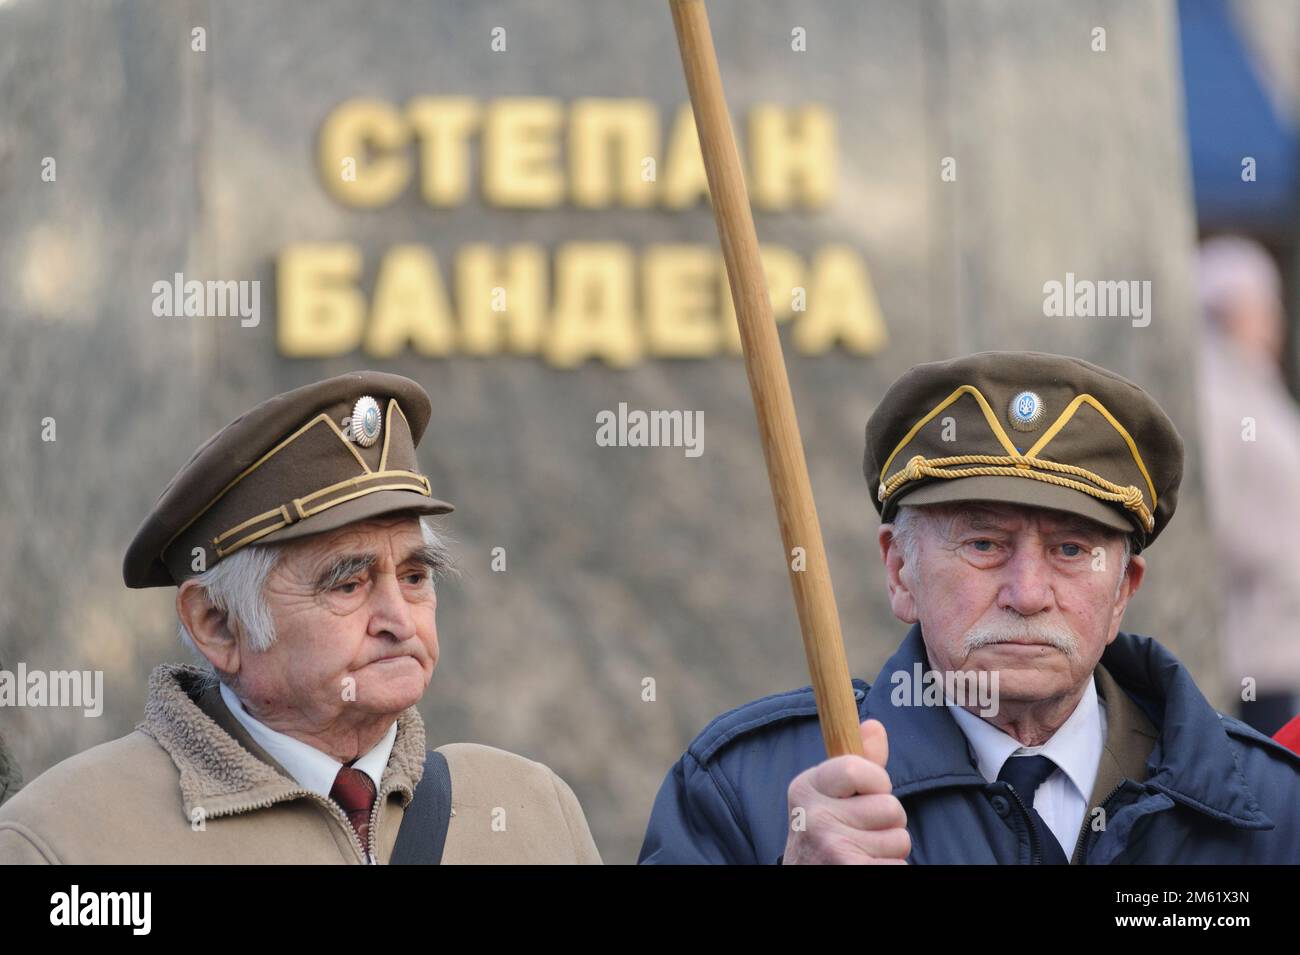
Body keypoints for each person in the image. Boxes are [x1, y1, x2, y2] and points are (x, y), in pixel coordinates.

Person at [639, 350, 1300, 864]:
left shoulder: (1269, 808)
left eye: (1071, 549)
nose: (1029, 592)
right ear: (900, 570)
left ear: (1124, 588)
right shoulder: (744, 792)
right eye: (985, 543)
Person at [0, 371, 601, 864]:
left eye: (415, 576)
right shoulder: (65, 842)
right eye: (349, 583)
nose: (397, 617)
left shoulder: (532, 809)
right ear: (218, 624)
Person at [1197, 235, 1300, 736]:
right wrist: (1272, 561)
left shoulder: (1254, 383)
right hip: (1250, 645)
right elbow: (1212, 514)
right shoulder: (1216, 394)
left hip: (1280, 638)